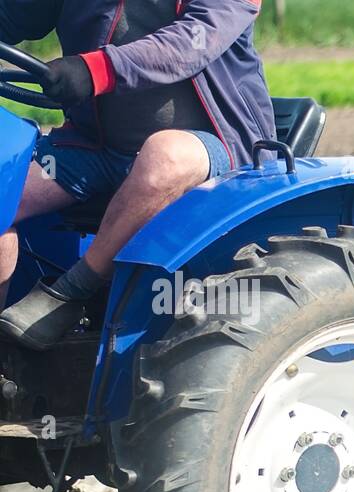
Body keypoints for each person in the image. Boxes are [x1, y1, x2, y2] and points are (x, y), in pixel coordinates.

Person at [0, 0, 275, 350]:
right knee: (4, 192)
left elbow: (191, 42)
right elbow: (17, 15)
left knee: (166, 155)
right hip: (94, 146)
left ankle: (70, 293)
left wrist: (96, 69)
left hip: (214, 145)